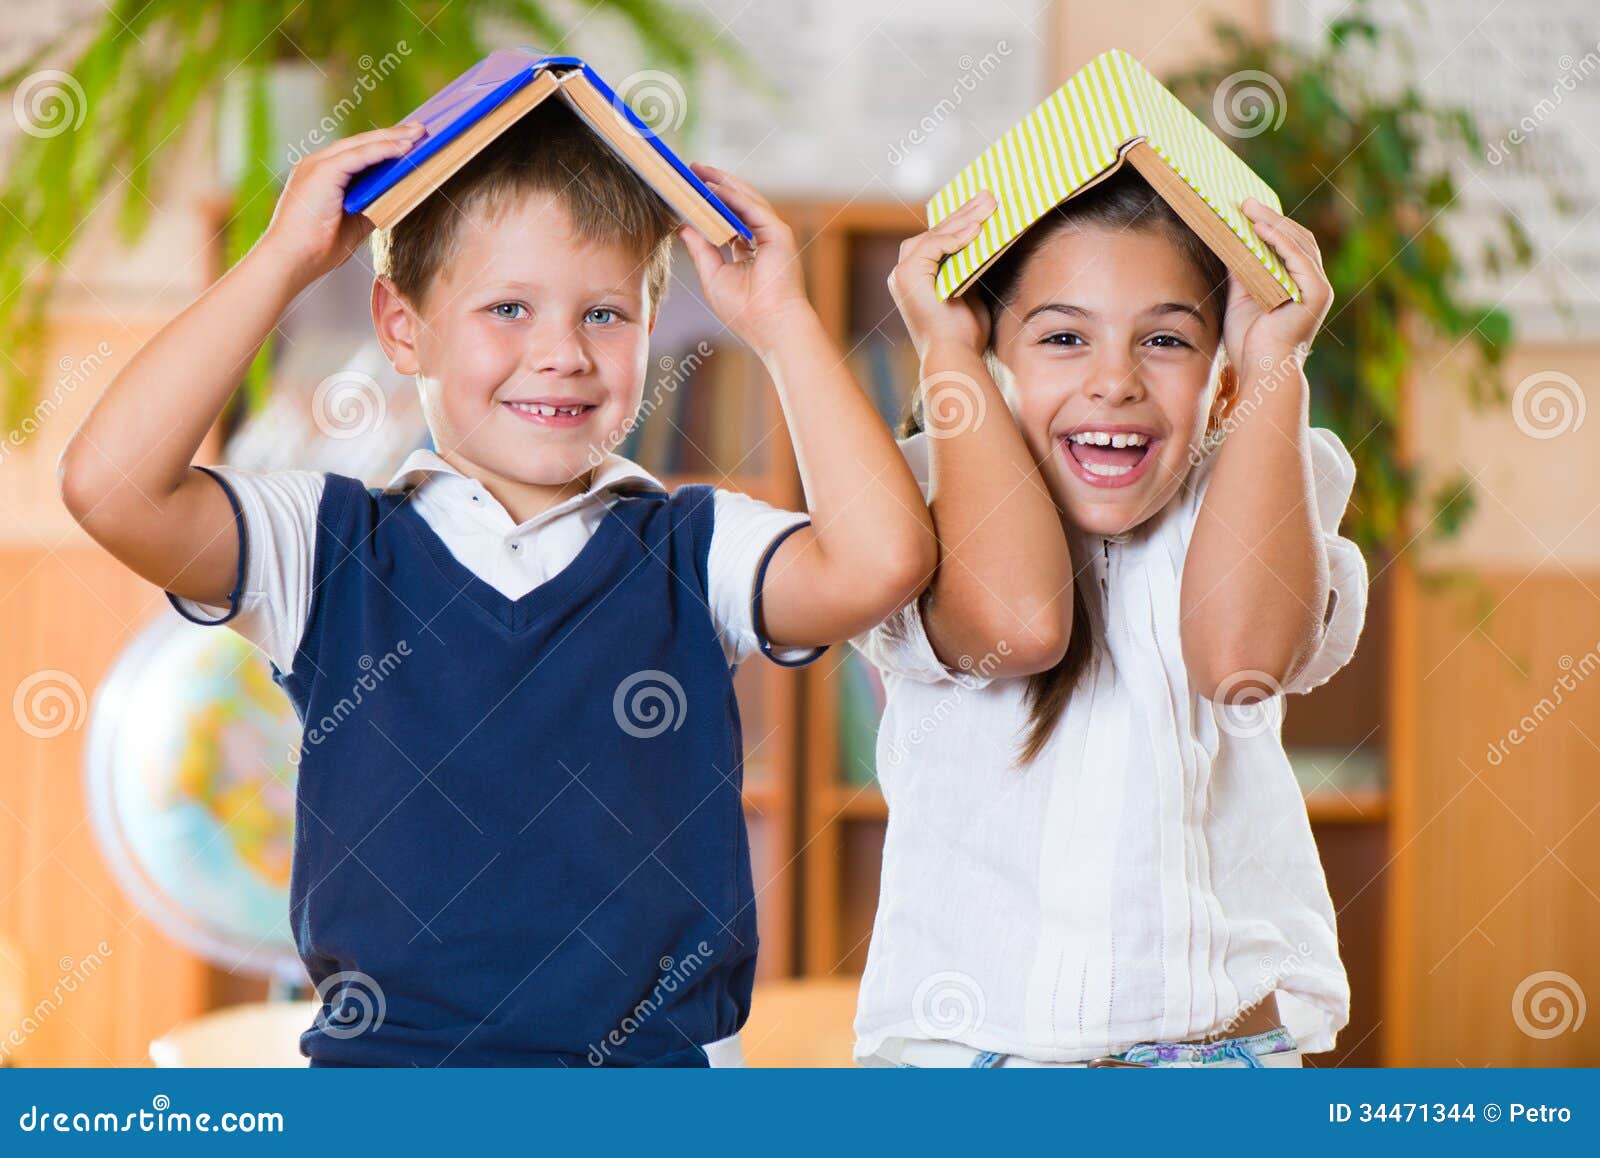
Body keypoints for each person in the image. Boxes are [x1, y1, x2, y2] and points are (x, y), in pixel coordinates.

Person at [59, 101, 935, 1067]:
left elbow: (880, 562)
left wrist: (781, 323)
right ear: (402, 327)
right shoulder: (327, 545)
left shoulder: (699, 544)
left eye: (604, 314)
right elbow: (111, 486)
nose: (562, 351)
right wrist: (281, 262)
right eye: (508, 308)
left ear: (650, 329)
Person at [853, 169, 1367, 1067]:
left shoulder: (1266, 487)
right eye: (1061, 338)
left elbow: (1238, 658)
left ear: (1222, 373)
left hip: (1218, 1062)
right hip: (961, 1058)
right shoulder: (919, 504)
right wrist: (944, 352)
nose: (1115, 382)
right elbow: (1022, 622)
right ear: (994, 361)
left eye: (1166, 339)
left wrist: (1277, 358)